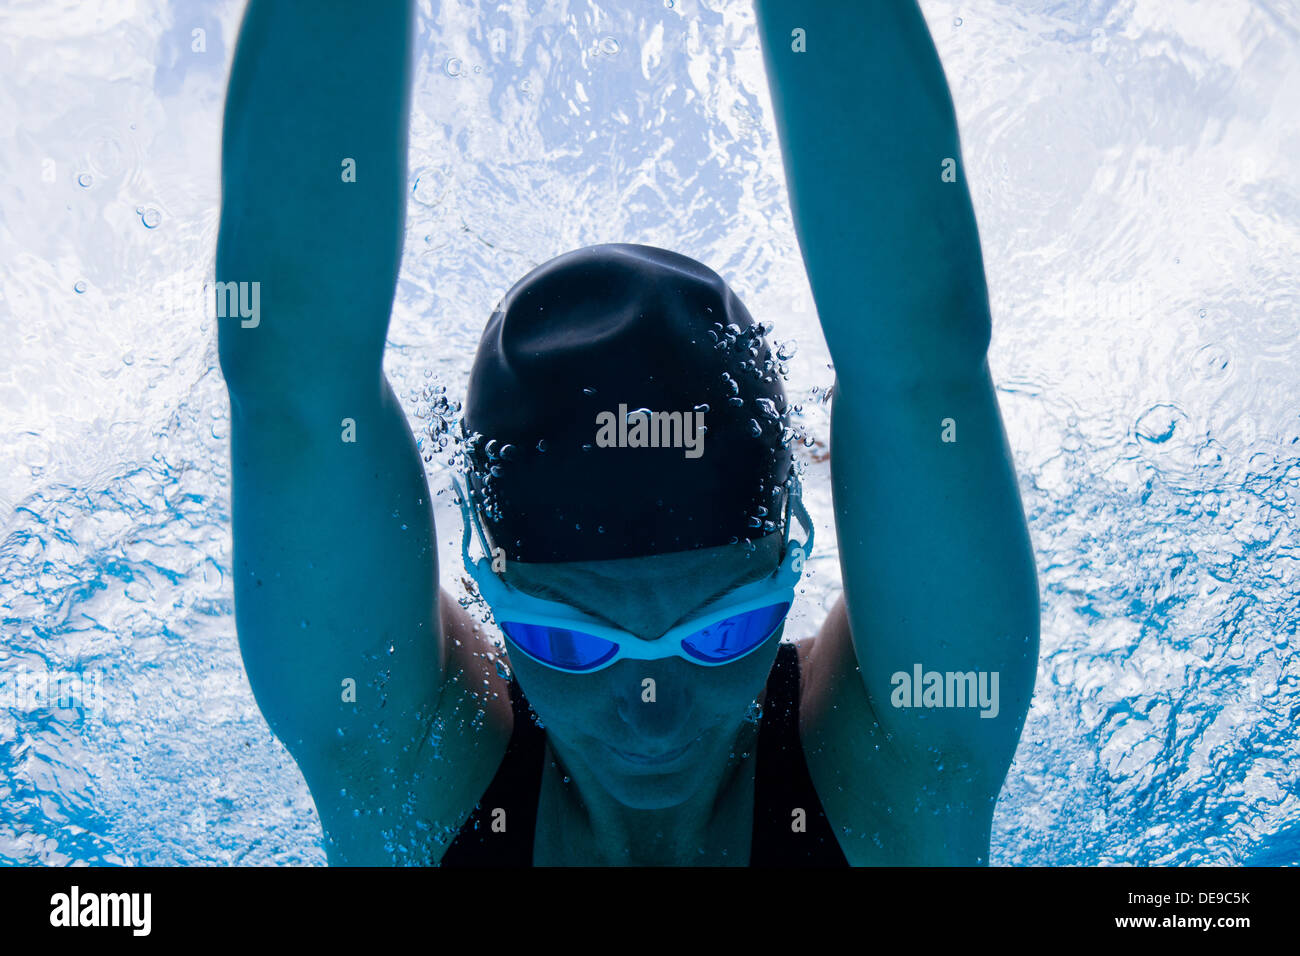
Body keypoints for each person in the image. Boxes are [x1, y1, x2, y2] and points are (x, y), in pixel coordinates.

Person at [214, 0, 1040, 866]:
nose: (652, 713)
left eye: (723, 631)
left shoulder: (902, 782)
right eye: (570, 643)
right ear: (490, 576)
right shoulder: (406, 779)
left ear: (785, 556)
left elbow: (922, 373)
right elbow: (298, 401)